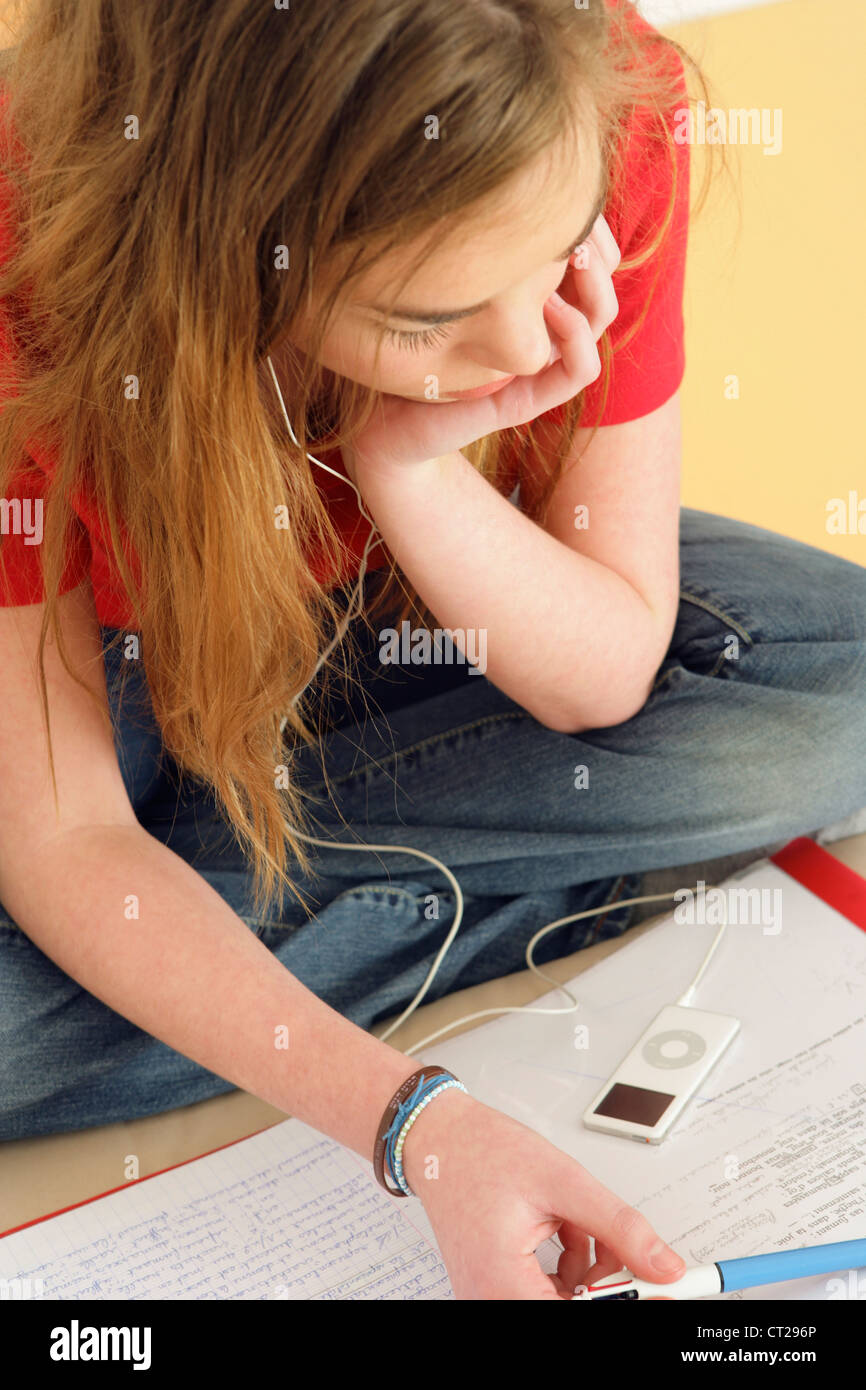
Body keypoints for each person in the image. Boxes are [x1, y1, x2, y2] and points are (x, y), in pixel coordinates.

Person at [0, 0, 864, 1302]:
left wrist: (409, 464)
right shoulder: (29, 260)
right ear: (234, 257)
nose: (531, 352)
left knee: (839, 683)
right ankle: (402, 895)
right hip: (90, 674)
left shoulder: (595, 93)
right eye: (426, 314)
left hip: (425, 604)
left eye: (558, 254)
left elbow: (601, 673)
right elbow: (67, 837)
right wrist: (413, 1116)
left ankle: (216, 936)